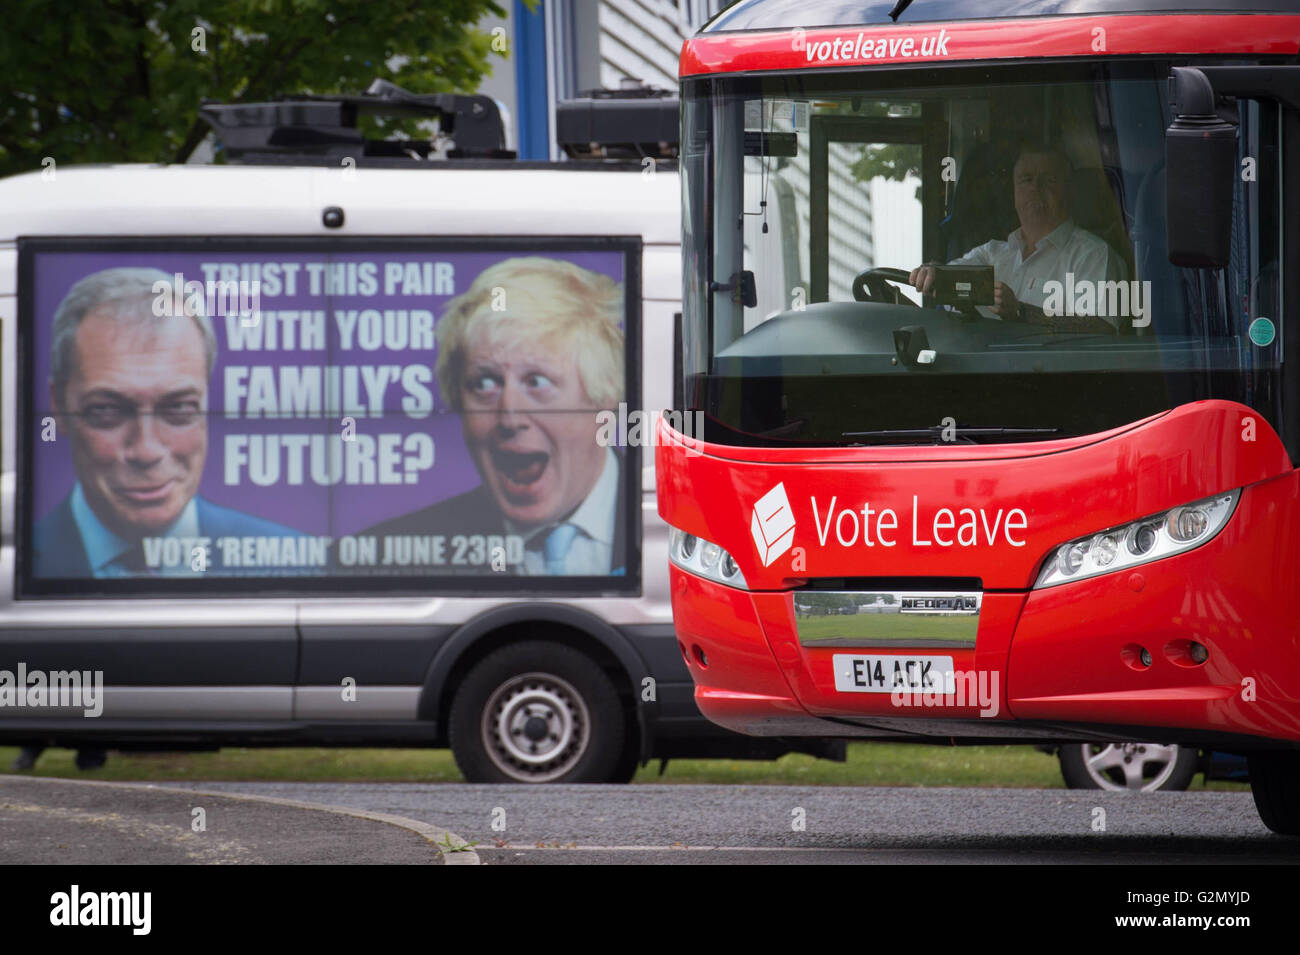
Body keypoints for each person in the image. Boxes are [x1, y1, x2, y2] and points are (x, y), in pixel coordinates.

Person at [360, 257, 627, 576]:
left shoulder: (685, 526)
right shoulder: (384, 559)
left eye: (536, 382)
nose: (509, 418)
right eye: (484, 383)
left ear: (604, 393)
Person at [33, 267, 298, 578]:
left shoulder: (297, 563)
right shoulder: (22, 560)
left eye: (179, 408)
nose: (146, 451)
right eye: (107, 411)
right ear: (59, 407)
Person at [910, 143, 1128, 333]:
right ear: (1014, 191)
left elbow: (1102, 330)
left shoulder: (1093, 255)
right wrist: (933, 272)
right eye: (1026, 180)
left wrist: (1021, 312)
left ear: (1069, 191)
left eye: (1049, 180)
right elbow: (947, 277)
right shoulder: (992, 253)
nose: (1035, 188)